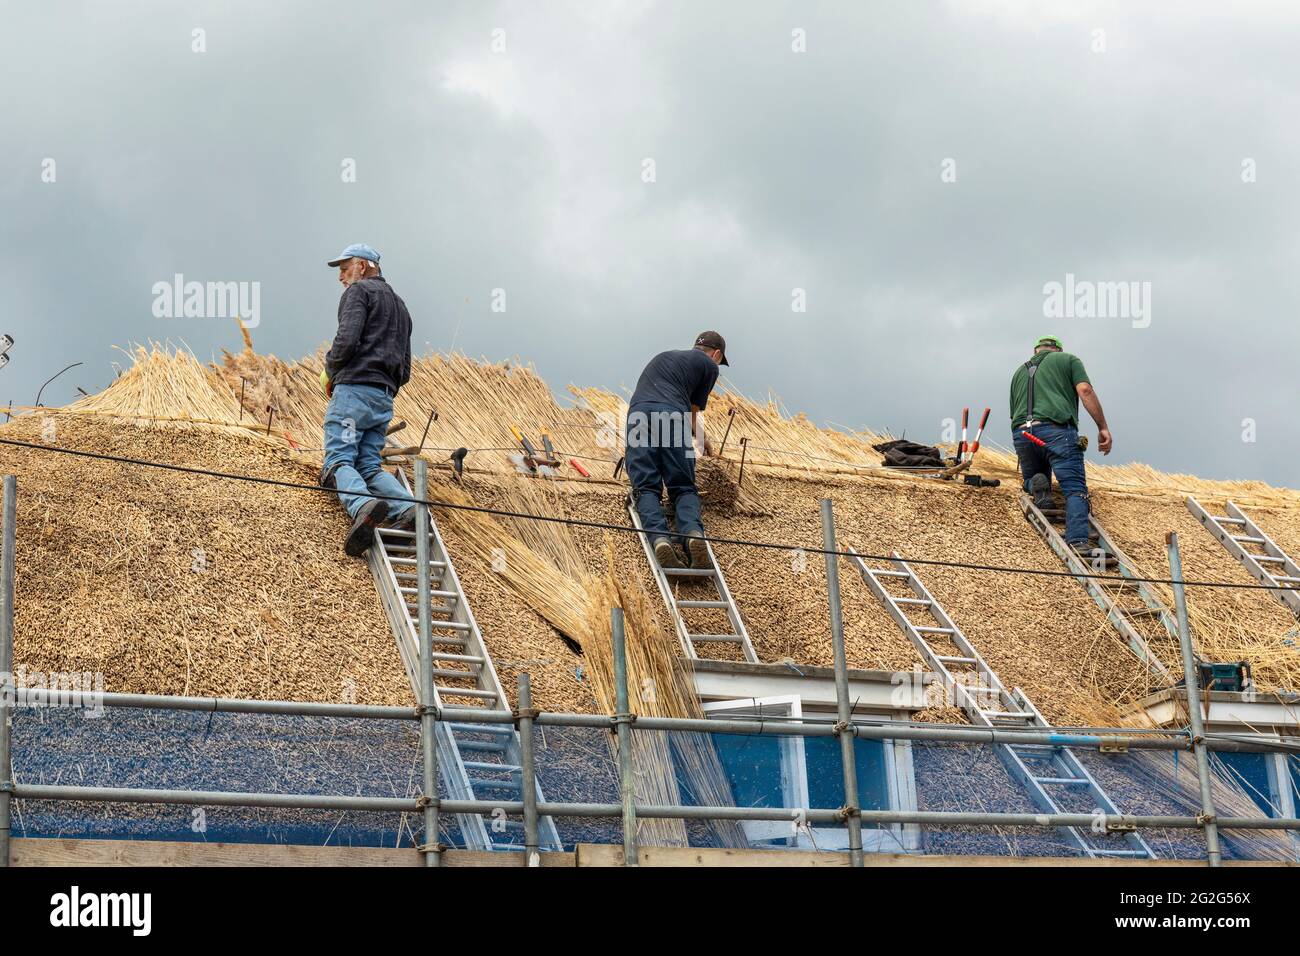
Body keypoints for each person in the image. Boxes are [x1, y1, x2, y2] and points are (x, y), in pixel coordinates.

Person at [318, 243, 418, 556]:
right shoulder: (401, 307)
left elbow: (346, 340)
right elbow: (405, 368)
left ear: (363, 266)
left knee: (339, 459)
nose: (341, 278)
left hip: (353, 395)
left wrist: (331, 369)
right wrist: (383, 388)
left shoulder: (359, 293)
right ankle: (407, 508)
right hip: (382, 399)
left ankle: (363, 506)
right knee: (368, 465)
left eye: (344, 269)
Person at [625, 331, 728, 569]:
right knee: (682, 485)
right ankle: (692, 534)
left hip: (638, 415)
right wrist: (705, 443)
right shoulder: (709, 366)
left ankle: (660, 539)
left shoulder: (665, 357)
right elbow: (692, 413)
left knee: (645, 486)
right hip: (672, 415)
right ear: (717, 354)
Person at [1009, 335, 1112, 552]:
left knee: (1032, 478)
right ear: (1058, 349)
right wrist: (1102, 426)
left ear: (1036, 351)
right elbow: (1085, 390)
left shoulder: (1018, 372)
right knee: (1075, 489)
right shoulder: (1068, 360)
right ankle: (1077, 541)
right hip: (1056, 431)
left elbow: (1013, 412)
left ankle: (1036, 485)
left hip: (1023, 434)